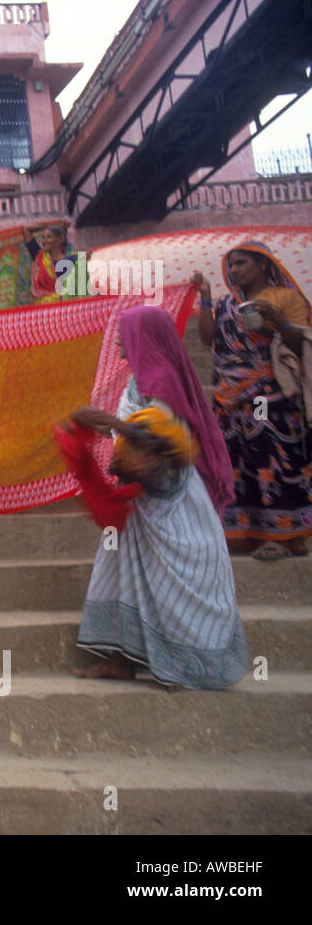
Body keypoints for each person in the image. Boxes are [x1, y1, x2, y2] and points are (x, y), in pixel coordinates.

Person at [66, 305, 246, 689]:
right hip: (143, 500)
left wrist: (110, 424)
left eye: (123, 333)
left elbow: (169, 446)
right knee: (120, 574)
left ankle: (183, 663)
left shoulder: (162, 381)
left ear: (141, 338)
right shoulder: (139, 382)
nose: (117, 340)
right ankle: (121, 659)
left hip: (170, 503)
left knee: (172, 581)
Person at [195, 242, 311, 560]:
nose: (234, 270)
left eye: (241, 263)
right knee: (234, 463)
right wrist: (205, 298)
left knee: (270, 458)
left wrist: (279, 320)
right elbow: (207, 339)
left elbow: (301, 343)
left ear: (262, 265)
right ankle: (242, 531)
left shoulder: (285, 298)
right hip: (228, 396)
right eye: (230, 265)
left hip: (268, 393)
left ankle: (283, 535)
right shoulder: (225, 303)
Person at [26, 223, 75, 303]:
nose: (44, 241)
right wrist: (49, 225)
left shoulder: (71, 261)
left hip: (65, 307)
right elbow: (26, 230)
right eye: (43, 237)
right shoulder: (39, 257)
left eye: (49, 237)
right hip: (43, 309)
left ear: (60, 240)